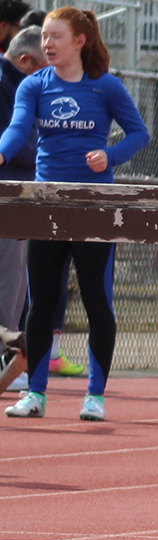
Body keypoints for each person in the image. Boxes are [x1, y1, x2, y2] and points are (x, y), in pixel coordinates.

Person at [2, 8, 150, 421]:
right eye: (44, 37)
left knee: (97, 302)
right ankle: (35, 394)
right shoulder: (34, 86)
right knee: (40, 303)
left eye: (56, 37)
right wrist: (1, 151)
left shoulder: (106, 87)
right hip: (48, 206)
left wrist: (110, 155)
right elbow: (17, 130)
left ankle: (95, 397)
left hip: (94, 208)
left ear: (80, 41)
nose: (47, 44)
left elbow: (140, 133)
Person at [0, 24, 44, 341]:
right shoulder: (8, 87)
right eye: (46, 69)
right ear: (25, 61)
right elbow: (14, 143)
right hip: (8, 196)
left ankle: (9, 351)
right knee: (9, 279)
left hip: (22, 196)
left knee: (16, 280)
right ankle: (6, 354)